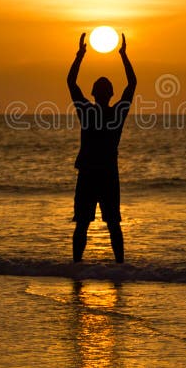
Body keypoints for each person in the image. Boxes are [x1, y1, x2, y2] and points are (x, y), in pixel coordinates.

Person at [67, 32, 137, 263]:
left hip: (96, 174)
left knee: (93, 224)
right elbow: (132, 84)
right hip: (101, 174)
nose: (103, 89)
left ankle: (83, 267)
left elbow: (71, 82)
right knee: (101, 224)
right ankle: (115, 268)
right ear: (104, 94)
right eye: (102, 86)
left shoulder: (92, 110)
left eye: (103, 86)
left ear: (96, 93)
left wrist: (81, 55)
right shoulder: (110, 111)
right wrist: (122, 55)